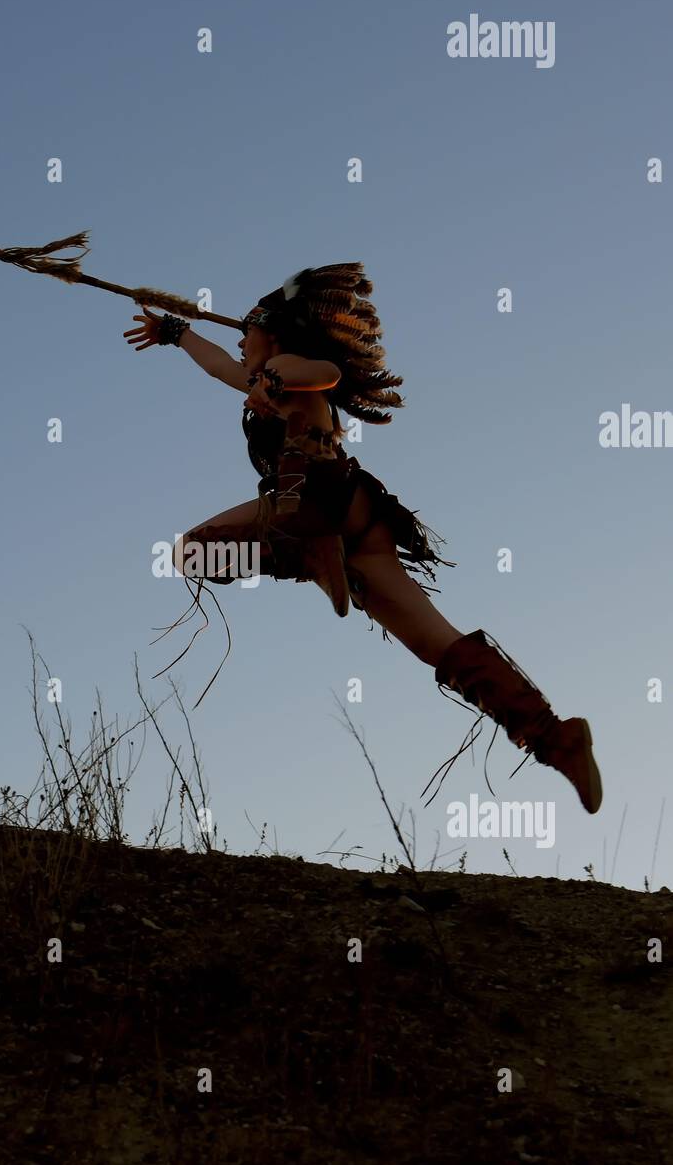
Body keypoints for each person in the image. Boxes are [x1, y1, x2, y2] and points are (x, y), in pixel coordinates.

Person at [123, 263, 601, 814]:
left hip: (313, 499)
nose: (238, 340)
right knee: (436, 644)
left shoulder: (284, 366)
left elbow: (322, 371)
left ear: (272, 334)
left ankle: (308, 551)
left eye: (246, 332)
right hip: (357, 520)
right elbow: (220, 368)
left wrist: (278, 379)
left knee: (192, 552)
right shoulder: (261, 374)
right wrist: (177, 334)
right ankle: (552, 737)